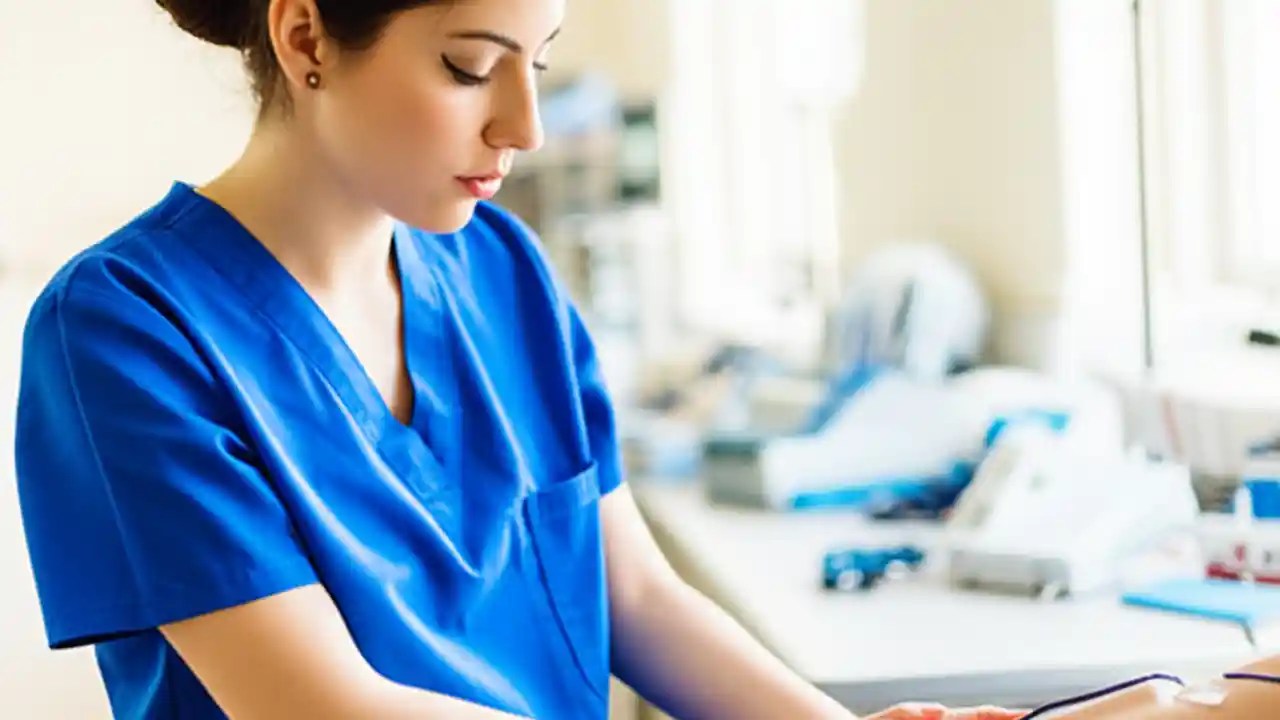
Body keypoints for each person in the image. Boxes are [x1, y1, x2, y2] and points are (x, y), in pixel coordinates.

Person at [13, 1, 1026, 718]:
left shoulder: (499, 268)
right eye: (468, 65)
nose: (523, 127)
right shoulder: (124, 330)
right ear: (305, 33)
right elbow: (319, 707)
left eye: (535, 63)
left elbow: (632, 599)